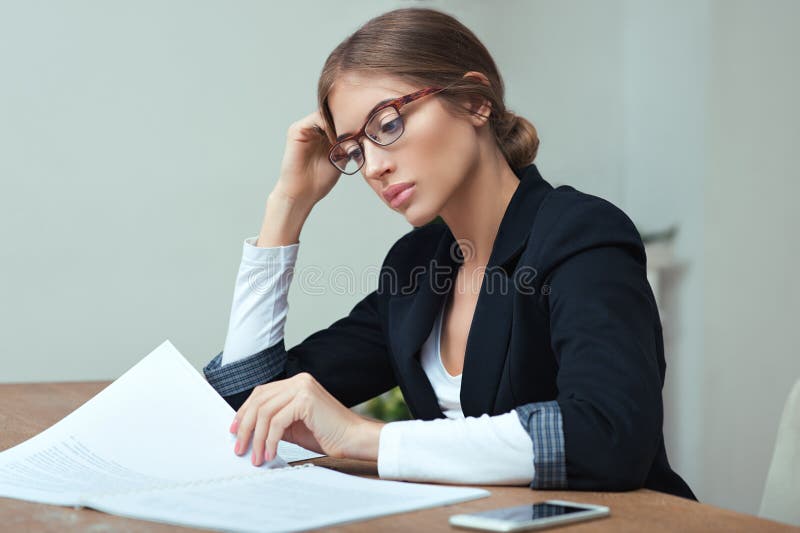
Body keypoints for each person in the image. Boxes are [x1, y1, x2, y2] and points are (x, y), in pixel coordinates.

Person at [202, 7, 696, 500]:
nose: (373, 167)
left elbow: (607, 433)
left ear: (476, 100)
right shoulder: (415, 269)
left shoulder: (580, 234)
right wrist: (288, 205)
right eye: (354, 150)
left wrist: (366, 437)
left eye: (388, 124)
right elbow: (248, 407)